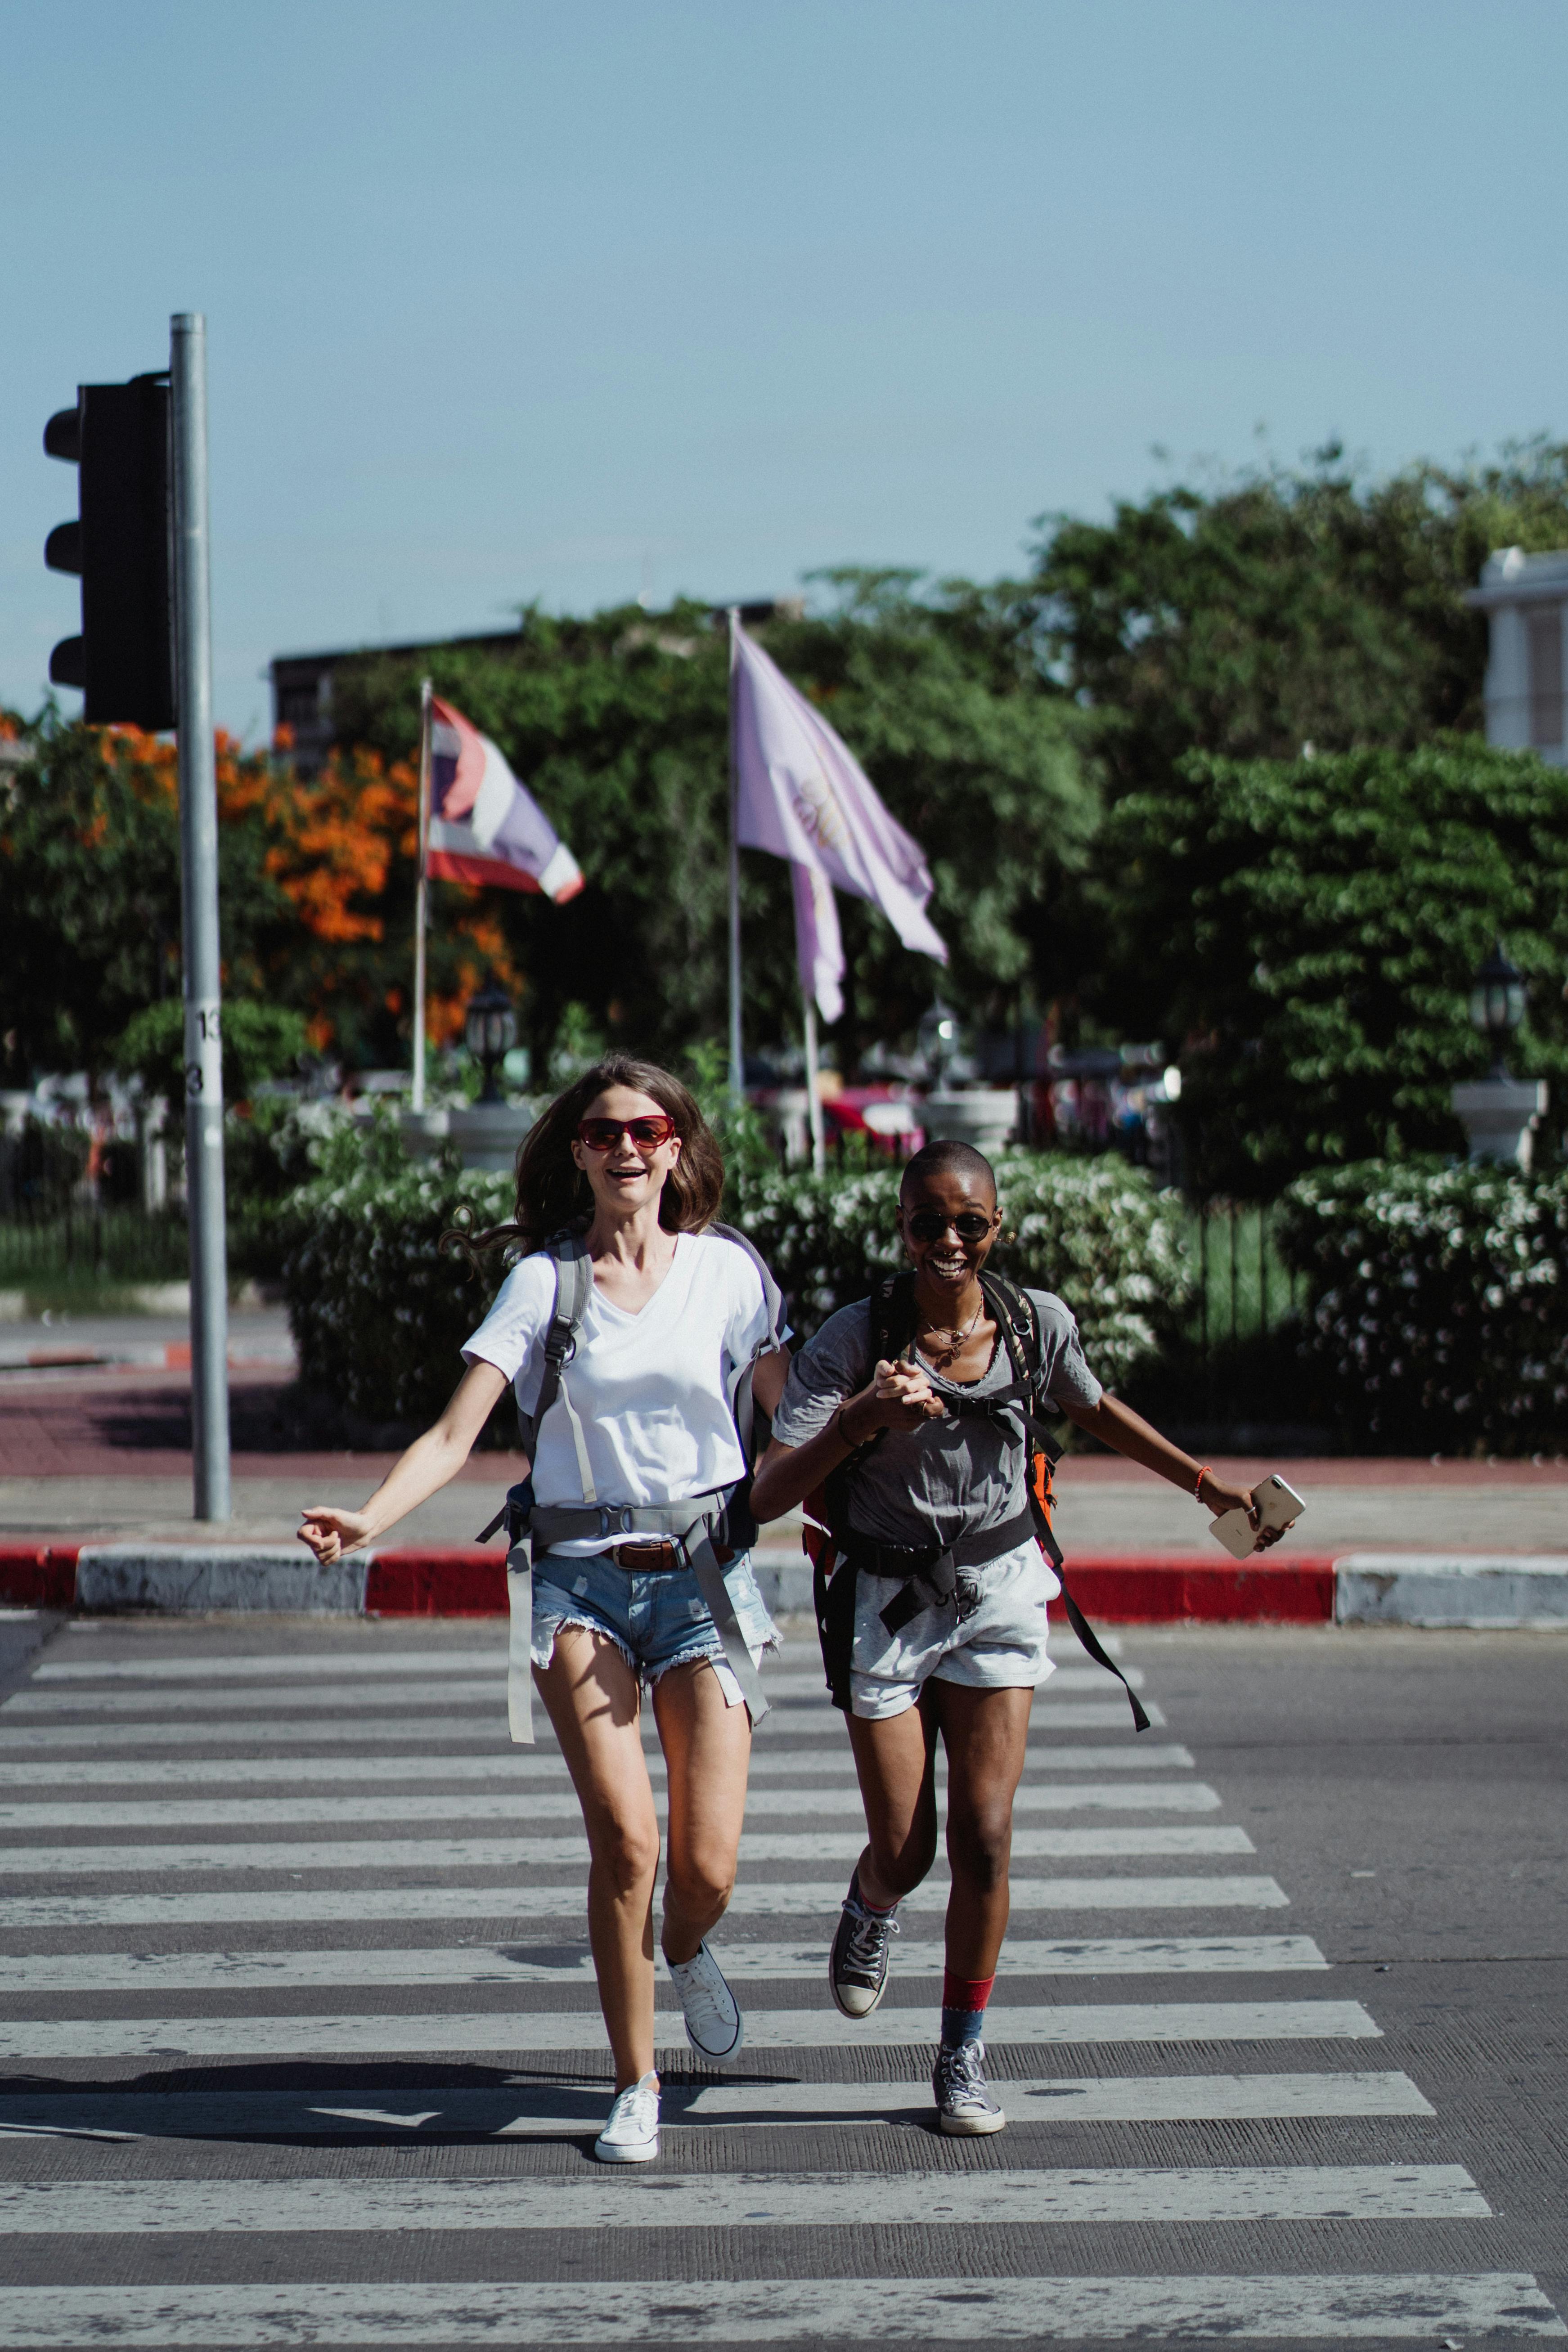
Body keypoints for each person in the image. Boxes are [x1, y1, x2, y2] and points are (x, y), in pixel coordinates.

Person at [299, 1056, 789, 2166]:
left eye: (649, 1128)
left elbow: (793, 1412)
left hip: (708, 1576)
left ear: (678, 1147)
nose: (628, 1146)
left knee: (705, 1868)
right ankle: (636, 2081)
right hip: (578, 1584)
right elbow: (452, 1433)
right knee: (629, 1840)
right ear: (579, 1151)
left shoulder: (730, 1276)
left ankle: (689, 1945)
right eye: (605, 1131)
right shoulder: (543, 1282)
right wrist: (374, 1517)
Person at [748, 1137, 1280, 2138]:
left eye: (970, 1223)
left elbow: (1097, 1409)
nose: (949, 1241)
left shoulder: (1035, 1326)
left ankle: (961, 2053)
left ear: (999, 1230)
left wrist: (1209, 1487)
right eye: (927, 1222)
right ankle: (872, 1904)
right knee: (908, 1852)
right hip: (889, 1601)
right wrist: (860, 1420)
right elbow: (769, 1490)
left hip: (998, 1588)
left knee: (987, 1837)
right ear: (900, 1228)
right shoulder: (855, 1341)